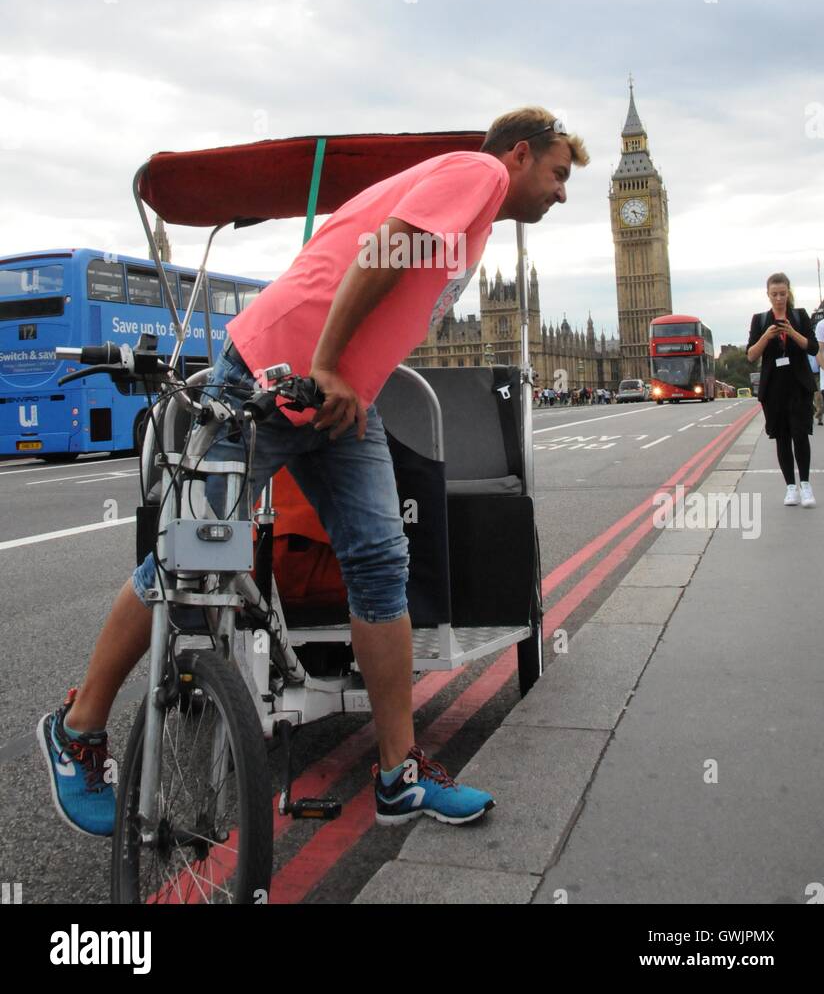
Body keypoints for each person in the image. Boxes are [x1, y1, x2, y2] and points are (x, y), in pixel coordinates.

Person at [39, 106, 590, 837]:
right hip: (275, 376)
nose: (561, 193)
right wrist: (329, 363)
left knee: (379, 564)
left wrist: (346, 383)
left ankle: (398, 776)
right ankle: (77, 731)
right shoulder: (478, 174)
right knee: (188, 559)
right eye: (558, 174)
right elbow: (381, 253)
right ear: (520, 154)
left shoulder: (476, 213)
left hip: (338, 405)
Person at [746, 273, 819, 508]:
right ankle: (790, 487)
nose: (779, 298)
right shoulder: (759, 320)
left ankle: (805, 486)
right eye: (774, 294)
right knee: (782, 438)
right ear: (768, 295)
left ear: (789, 293)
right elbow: (751, 355)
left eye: (783, 294)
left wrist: (792, 332)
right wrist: (767, 337)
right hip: (774, 388)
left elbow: (813, 347)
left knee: (800, 434)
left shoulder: (800, 316)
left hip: (798, 385)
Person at [814, 313, 824, 428]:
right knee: (817, 397)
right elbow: (819, 351)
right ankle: (819, 415)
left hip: (817, 373)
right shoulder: (821, 326)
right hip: (816, 373)